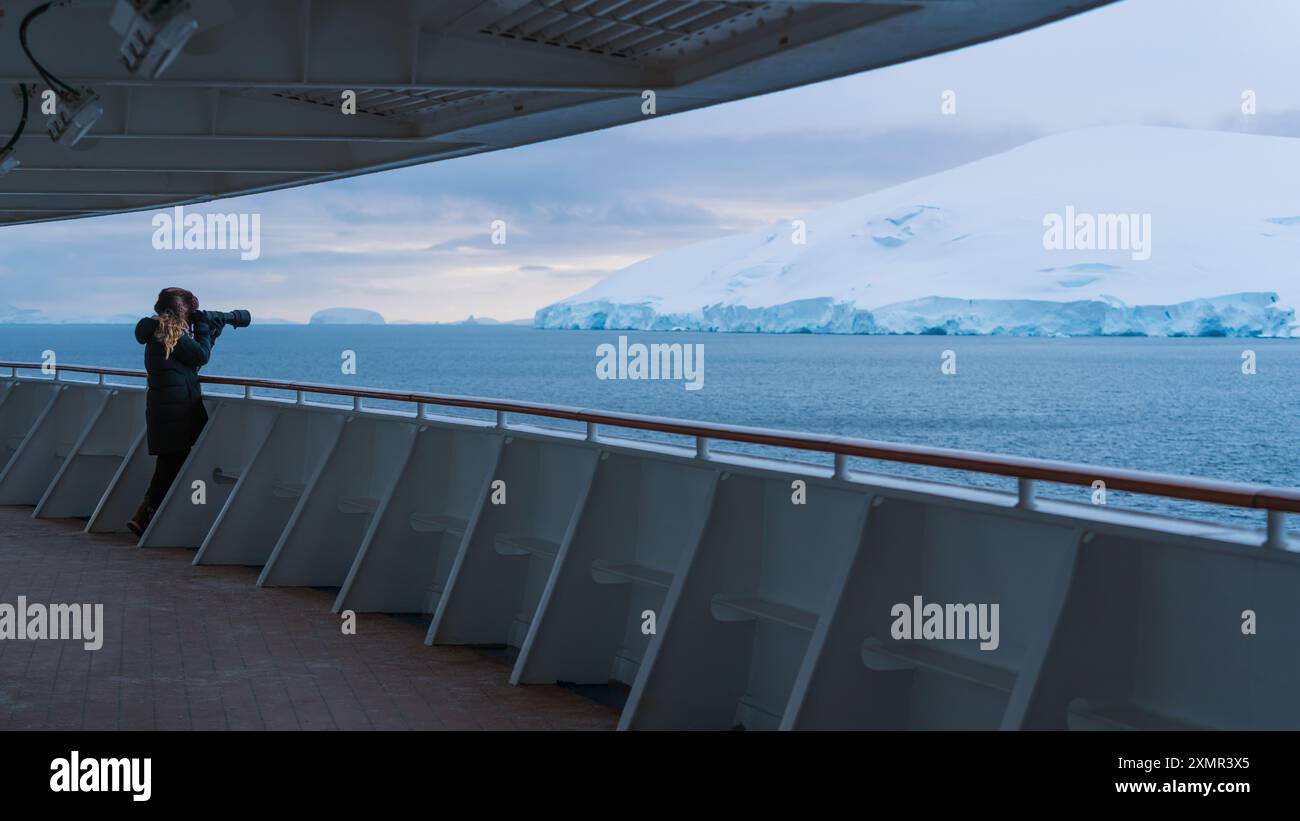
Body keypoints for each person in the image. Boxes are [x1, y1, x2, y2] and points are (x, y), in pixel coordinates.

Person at [127, 287, 218, 537]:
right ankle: (151, 516)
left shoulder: (158, 331)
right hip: (178, 409)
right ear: (182, 310)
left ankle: (148, 515)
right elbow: (201, 355)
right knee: (173, 463)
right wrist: (203, 329)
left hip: (162, 406)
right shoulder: (172, 332)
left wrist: (208, 331)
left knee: (169, 463)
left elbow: (190, 361)